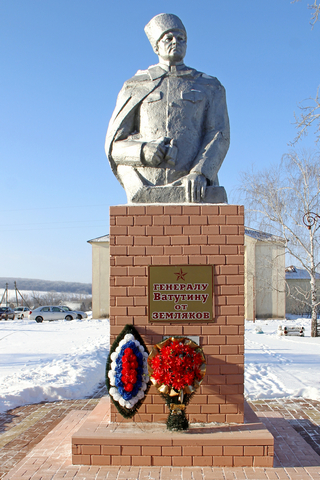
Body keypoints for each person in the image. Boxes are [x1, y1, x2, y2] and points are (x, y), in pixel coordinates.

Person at [105, 13, 230, 204]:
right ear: (156, 45)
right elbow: (114, 146)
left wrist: (201, 172)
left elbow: (219, 133)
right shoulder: (135, 85)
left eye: (181, 38)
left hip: (194, 185)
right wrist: (143, 151)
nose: (176, 42)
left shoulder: (209, 86)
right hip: (146, 183)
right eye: (168, 38)